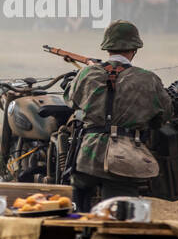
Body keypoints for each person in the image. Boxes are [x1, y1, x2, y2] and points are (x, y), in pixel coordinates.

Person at [64, 20, 168, 211]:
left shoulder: (87, 73)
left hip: (88, 157)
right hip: (125, 158)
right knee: (119, 216)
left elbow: (72, 102)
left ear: (107, 48)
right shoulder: (148, 79)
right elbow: (162, 116)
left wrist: (91, 70)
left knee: (78, 200)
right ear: (135, 48)